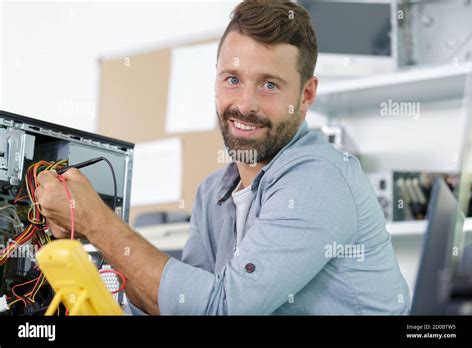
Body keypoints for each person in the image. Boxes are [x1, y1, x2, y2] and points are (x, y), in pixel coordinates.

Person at [36, 0, 410, 315]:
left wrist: (95, 222)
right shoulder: (212, 194)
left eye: (269, 85)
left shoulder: (320, 179)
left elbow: (222, 308)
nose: (245, 105)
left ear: (307, 95)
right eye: (232, 79)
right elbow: (180, 304)